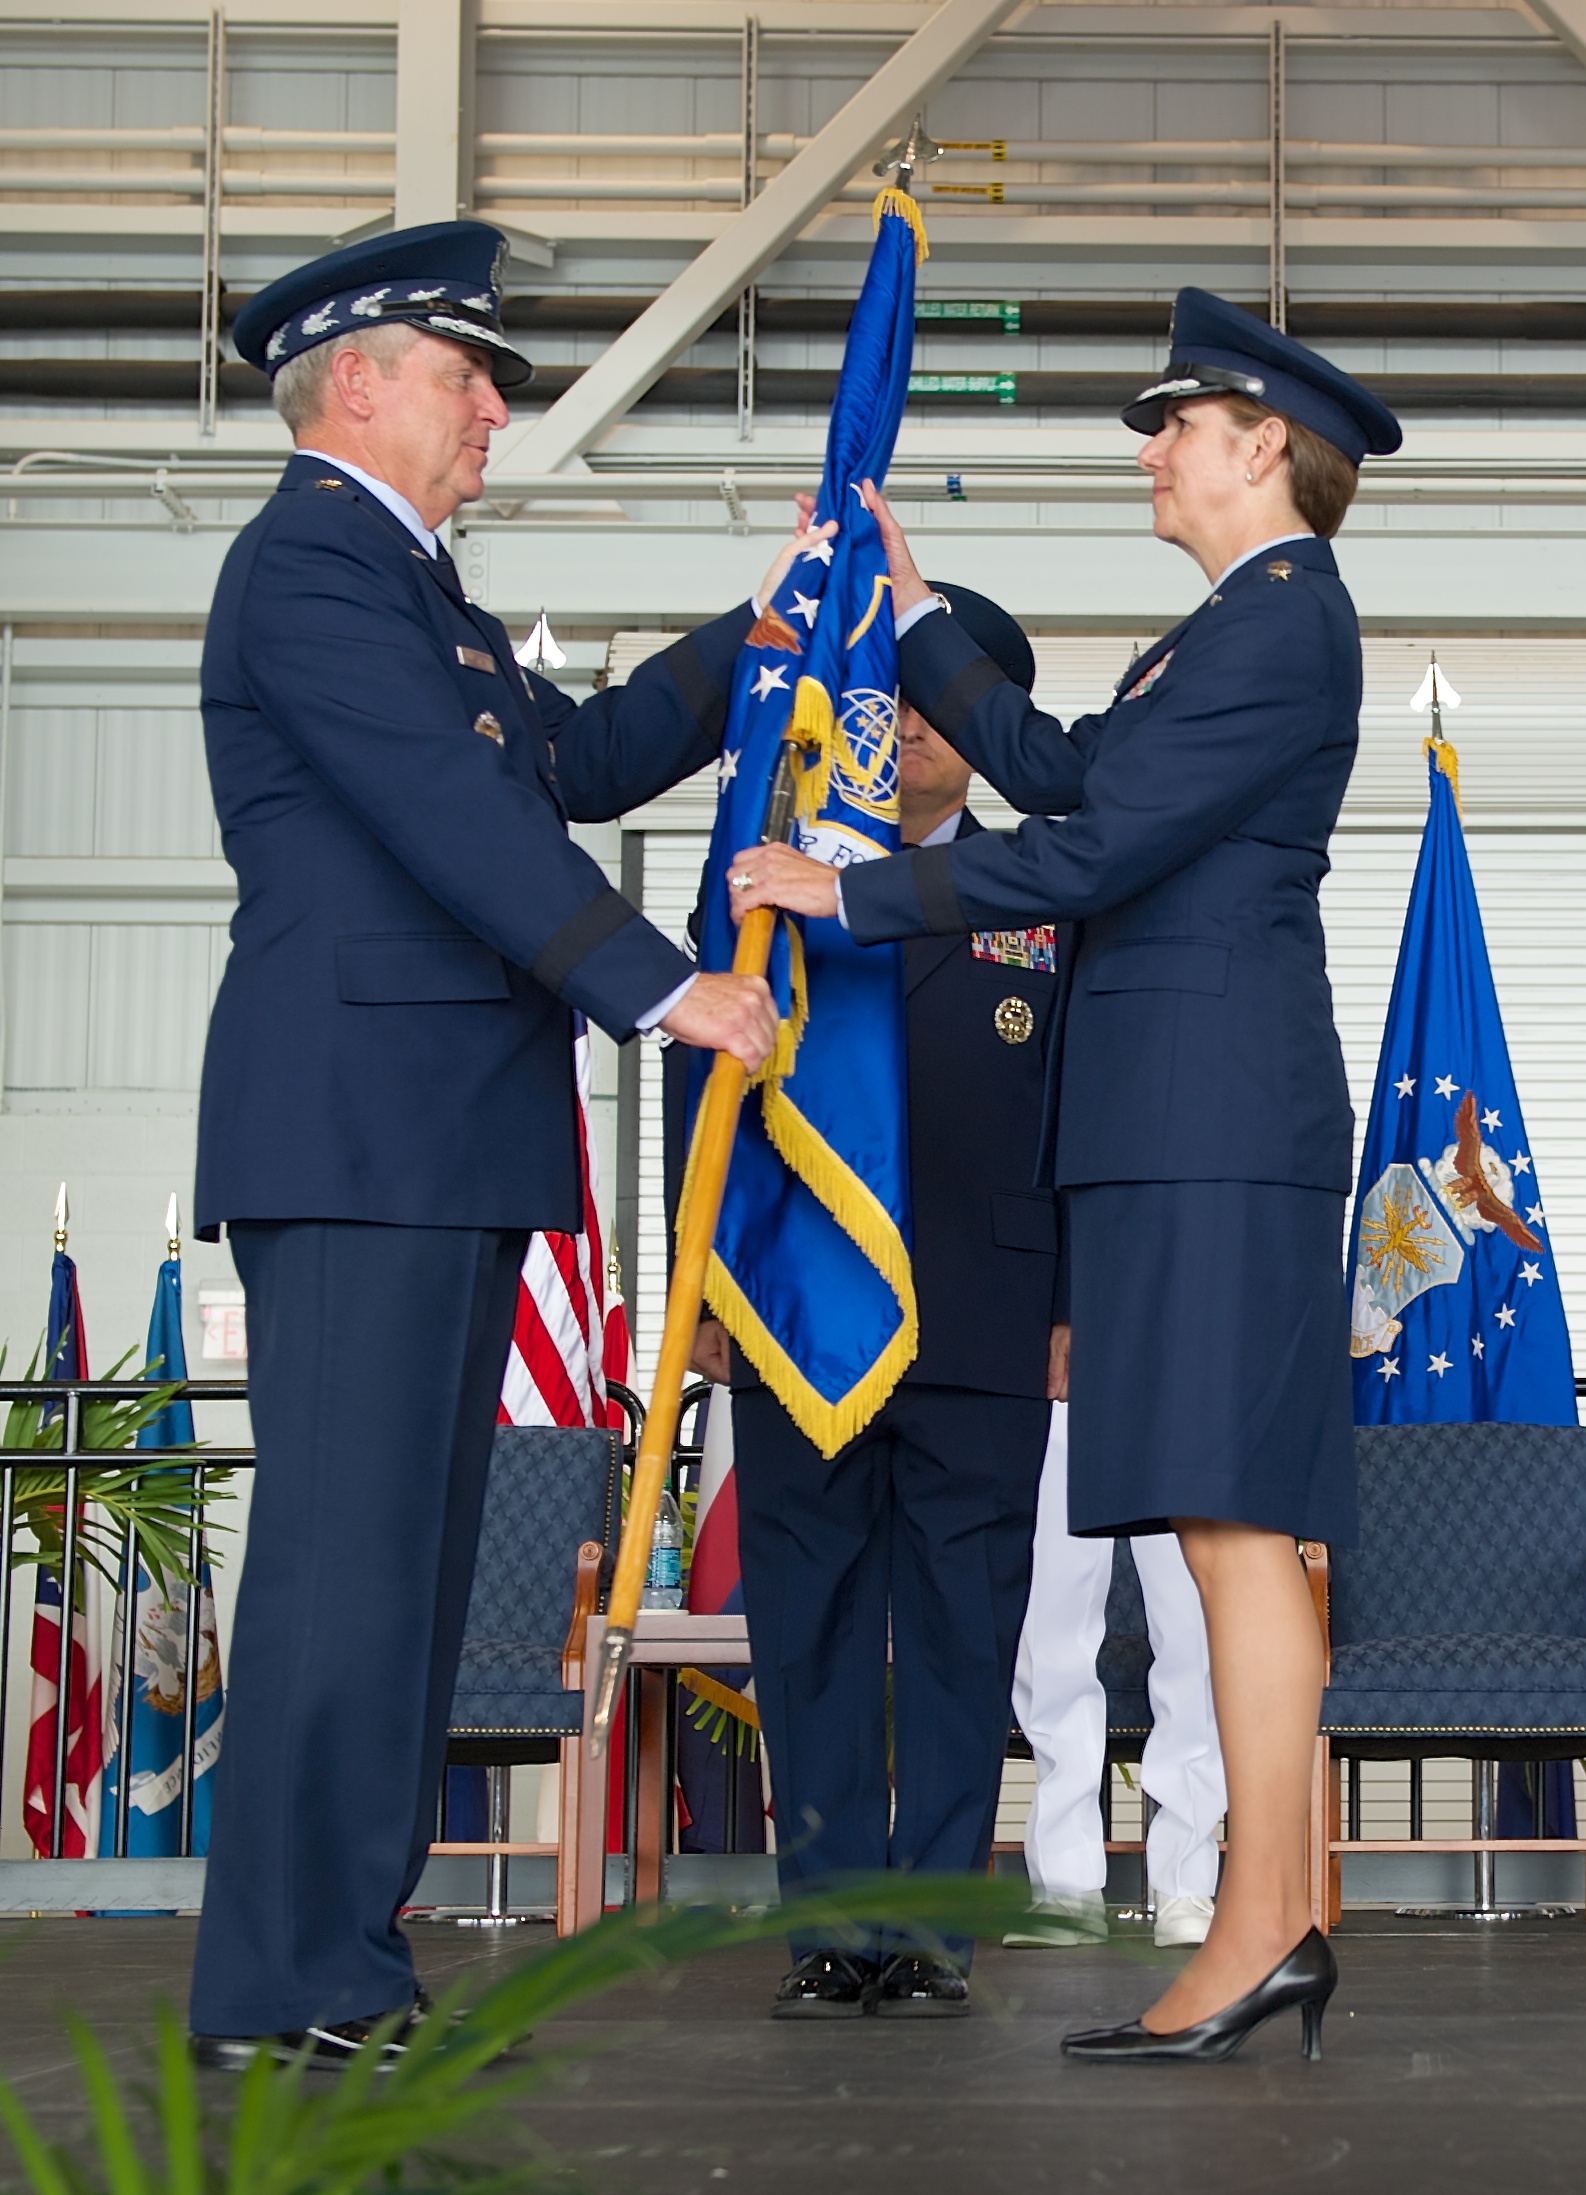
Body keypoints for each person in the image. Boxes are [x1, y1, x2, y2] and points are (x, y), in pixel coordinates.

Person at [729, 287, 1397, 2064]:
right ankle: (1270, 1924)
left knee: (1236, 1526)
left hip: (1211, 1124)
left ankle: (1263, 1927)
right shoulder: (1224, 634)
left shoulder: (1281, 622)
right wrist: (915, 611)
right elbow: (1060, 764)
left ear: (1265, 446)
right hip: (1180, 1125)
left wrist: (847, 893)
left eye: (1179, 424)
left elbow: (1088, 848)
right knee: (1220, 1524)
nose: (1154, 450)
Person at [188, 220, 783, 2069]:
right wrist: (663, 987)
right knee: (342, 1575)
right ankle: (284, 1981)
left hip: (432, 1139)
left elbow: (573, 762)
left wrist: (755, 633)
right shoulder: (311, 564)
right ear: (356, 384)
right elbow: (451, 810)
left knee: (408, 1582)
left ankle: (343, 1963)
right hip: (359, 1134)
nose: (495, 413)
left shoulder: (414, 586)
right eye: (468, 378)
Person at [689, 583, 1066, 2022]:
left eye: (937, 696)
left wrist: (1078, 1302)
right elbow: (700, 1086)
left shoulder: (1049, 886)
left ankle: (934, 1931)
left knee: (966, 1630)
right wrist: (705, 1281)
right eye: (887, 696)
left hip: (988, 1311)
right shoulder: (765, 872)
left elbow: (1083, 1106)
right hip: (798, 1307)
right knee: (812, 1620)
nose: (905, 722)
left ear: (988, 721)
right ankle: (830, 1926)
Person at [1005, 1401, 1225, 1952]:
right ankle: (1065, 1884)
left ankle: (1186, 1881)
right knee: (1050, 1631)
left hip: (1176, 1370)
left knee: (1193, 1632)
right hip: (1063, 1374)